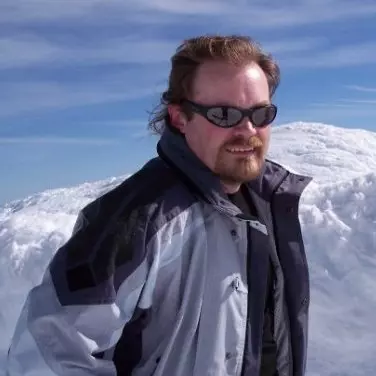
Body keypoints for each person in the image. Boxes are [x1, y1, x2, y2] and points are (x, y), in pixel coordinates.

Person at [6, 35, 312, 376]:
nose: (248, 129)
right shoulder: (134, 220)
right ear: (180, 118)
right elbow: (46, 356)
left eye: (261, 112)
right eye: (224, 114)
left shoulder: (271, 202)